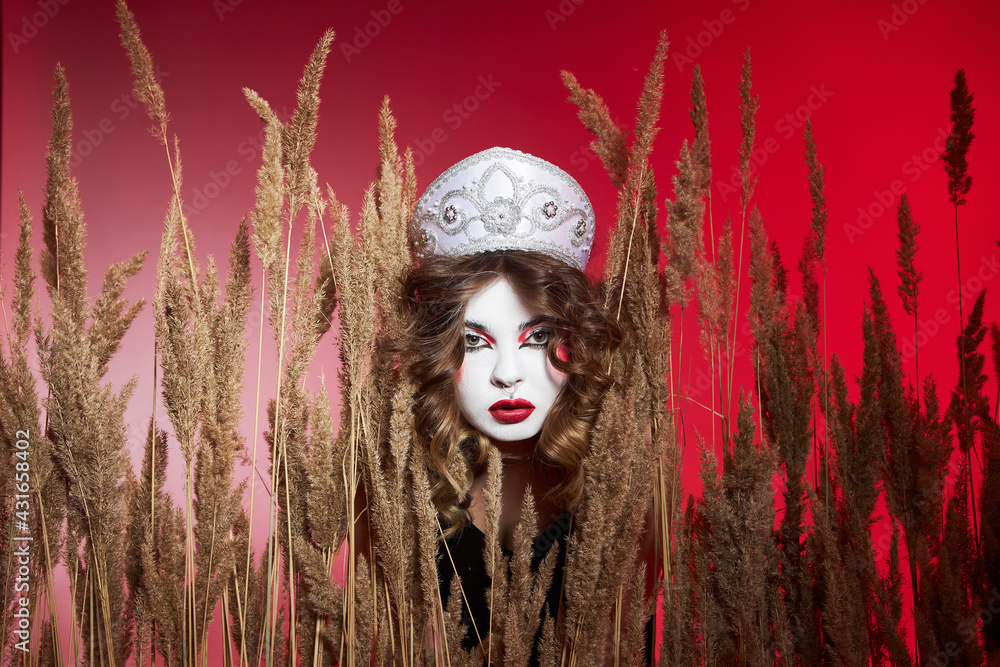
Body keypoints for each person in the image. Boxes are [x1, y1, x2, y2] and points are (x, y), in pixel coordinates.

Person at [403, 147, 622, 654]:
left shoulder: (626, 470)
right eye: (475, 341)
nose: (507, 375)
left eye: (539, 337)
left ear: (578, 340)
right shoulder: (397, 477)